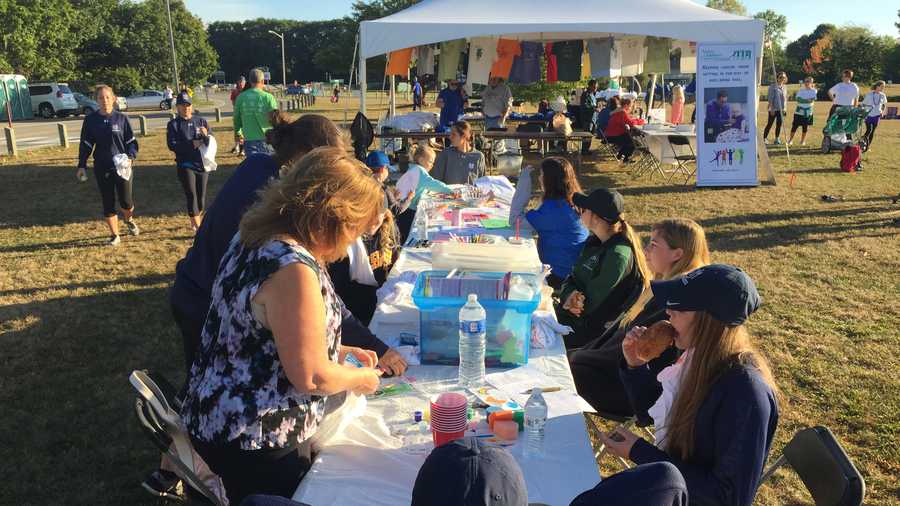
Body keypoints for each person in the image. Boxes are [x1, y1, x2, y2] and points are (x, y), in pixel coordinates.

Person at [147, 113, 407, 499]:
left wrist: (342, 350)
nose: (350, 244)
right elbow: (313, 377)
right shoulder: (292, 269)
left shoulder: (258, 235)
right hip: (255, 439)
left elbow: (263, 337)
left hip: (222, 417)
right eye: (353, 231)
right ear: (333, 218)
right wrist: (359, 380)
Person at [597, 264, 780, 506]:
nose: (668, 313)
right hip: (670, 490)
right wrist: (635, 366)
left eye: (679, 308)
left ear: (708, 321)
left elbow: (727, 497)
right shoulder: (696, 358)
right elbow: (650, 412)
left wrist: (639, 452)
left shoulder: (745, 393)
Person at [568, 219, 710, 415]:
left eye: (653, 245)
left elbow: (631, 351)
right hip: (612, 369)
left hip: (628, 386)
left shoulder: (677, 303)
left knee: (557, 377)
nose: (645, 251)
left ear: (677, 254)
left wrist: (577, 358)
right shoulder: (663, 288)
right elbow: (620, 336)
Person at [555, 188, 651, 350]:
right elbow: (572, 279)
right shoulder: (595, 242)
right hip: (570, 319)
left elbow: (586, 307)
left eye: (583, 210)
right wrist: (569, 295)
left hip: (586, 334)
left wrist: (571, 299)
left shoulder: (617, 256)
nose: (579, 213)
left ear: (596, 218)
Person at [508, 157, 589, 289]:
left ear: (549, 180)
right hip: (572, 271)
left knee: (511, 273)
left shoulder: (554, 209)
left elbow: (515, 221)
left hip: (560, 277)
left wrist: (523, 181)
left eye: (541, 175)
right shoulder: (571, 202)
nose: (539, 178)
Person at [76, 85, 140, 246]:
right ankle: (114, 235)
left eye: (107, 97)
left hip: (122, 167)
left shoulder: (122, 118)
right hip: (102, 166)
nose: (104, 101)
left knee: (126, 202)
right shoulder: (91, 120)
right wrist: (81, 165)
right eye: (100, 98)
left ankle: (128, 219)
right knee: (108, 200)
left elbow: (131, 142)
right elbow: (86, 144)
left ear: (113, 98)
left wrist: (131, 157)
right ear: (96, 100)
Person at [328, 188, 399, 326]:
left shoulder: (387, 230)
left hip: (385, 307)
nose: (371, 220)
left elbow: (393, 262)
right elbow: (340, 292)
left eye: (376, 214)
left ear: (385, 214)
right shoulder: (345, 245)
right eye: (366, 215)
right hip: (359, 318)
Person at [166, 91, 212, 232]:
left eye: (188, 105)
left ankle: (197, 216)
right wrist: (191, 144)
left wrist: (206, 136)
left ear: (191, 106)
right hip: (185, 164)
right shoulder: (174, 124)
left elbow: (211, 141)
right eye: (182, 105)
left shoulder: (201, 121)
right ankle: (197, 225)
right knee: (191, 195)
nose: (186, 108)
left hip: (202, 164)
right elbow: (172, 145)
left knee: (201, 198)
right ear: (177, 107)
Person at [394, 143, 454, 241]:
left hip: (402, 205)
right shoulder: (420, 171)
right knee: (406, 235)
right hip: (407, 209)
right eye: (430, 162)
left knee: (401, 234)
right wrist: (450, 191)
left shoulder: (413, 168)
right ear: (421, 160)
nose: (432, 165)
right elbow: (433, 184)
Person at [234, 68, 278, 156]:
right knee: (269, 166)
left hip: (249, 140)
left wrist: (238, 133)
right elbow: (275, 119)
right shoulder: (268, 97)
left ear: (249, 81)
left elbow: (237, 119)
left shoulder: (241, 97)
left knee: (254, 167)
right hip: (268, 139)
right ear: (262, 81)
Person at [604, 98, 645, 163]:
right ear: (626, 105)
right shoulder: (622, 112)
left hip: (609, 135)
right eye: (630, 106)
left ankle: (620, 155)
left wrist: (636, 120)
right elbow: (631, 123)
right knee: (633, 143)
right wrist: (641, 121)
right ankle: (625, 158)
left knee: (630, 138)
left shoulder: (618, 111)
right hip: (613, 136)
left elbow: (629, 121)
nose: (631, 108)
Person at [788, 77, 817, 147]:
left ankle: (802, 141)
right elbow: (798, 99)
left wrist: (803, 100)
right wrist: (806, 100)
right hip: (798, 112)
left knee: (805, 127)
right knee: (794, 126)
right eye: (806, 81)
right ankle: (790, 140)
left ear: (811, 83)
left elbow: (812, 99)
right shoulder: (801, 90)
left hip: (807, 112)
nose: (807, 83)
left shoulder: (814, 91)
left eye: (809, 82)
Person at [763, 73, 788, 145]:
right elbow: (770, 98)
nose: (782, 79)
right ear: (777, 78)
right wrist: (772, 108)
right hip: (773, 109)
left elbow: (785, 99)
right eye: (780, 77)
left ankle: (777, 139)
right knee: (770, 124)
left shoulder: (785, 87)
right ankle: (764, 138)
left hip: (781, 109)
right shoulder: (773, 86)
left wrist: (785, 109)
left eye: (783, 77)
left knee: (779, 124)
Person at [861, 80, 887, 149]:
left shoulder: (883, 95)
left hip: (877, 115)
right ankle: (862, 142)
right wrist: (863, 111)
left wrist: (882, 111)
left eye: (883, 87)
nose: (883, 88)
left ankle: (867, 146)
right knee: (869, 130)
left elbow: (884, 104)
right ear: (877, 86)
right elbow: (863, 104)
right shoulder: (869, 95)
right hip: (868, 115)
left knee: (872, 131)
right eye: (882, 87)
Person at [579, 79, 601, 155]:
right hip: (587, 118)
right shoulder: (585, 94)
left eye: (596, 87)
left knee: (590, 135)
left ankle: (586, 149)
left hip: (593, 118)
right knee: (586, 135)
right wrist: (594, 108)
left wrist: (596, 107)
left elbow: (593, 104)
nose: (596, 88)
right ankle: (584, 150)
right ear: (590, 86)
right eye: (594, 86)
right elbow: (584, 106)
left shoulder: (593, 94)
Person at [230, 76, 247, 155]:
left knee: (244, 131)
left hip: (245, 114)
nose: (241, 84)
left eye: (242, 82)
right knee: (236, 130)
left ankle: (242, 148)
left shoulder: (246, 91)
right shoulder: (235, 91)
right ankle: (236, 146)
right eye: (240, 82)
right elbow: (233, 102)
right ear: (237, 82)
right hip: (237, 113)